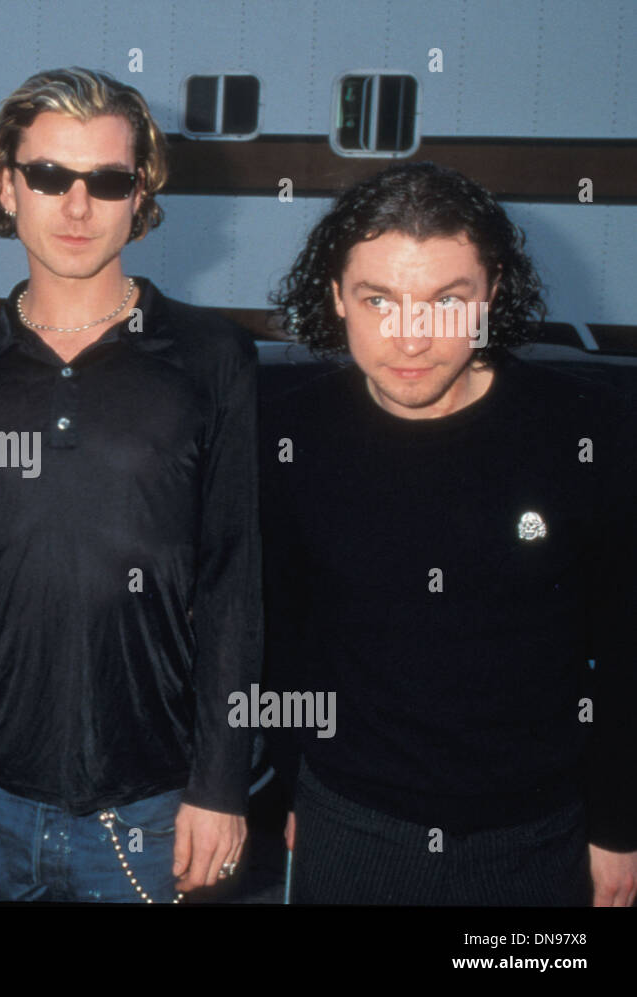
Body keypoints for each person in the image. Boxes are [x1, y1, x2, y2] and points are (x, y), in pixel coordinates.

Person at [0, 68, 262, 902]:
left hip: (151, 807)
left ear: (140, 197)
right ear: (6, 188)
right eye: (49, 175)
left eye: (107, 180)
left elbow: (235, 583)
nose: (77, 205)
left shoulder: (211, 362)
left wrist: (222, 783)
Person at [263, 161, 637, 906]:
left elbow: (626, 644)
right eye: (379, 300)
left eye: (446, 300)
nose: (411, 337)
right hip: (350, 827)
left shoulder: (588, 433)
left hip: (537, 840)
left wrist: (619, 825)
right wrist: (292, 790)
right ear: (336, 295)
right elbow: (280, 633)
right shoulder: (285, 435)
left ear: (492, 292)